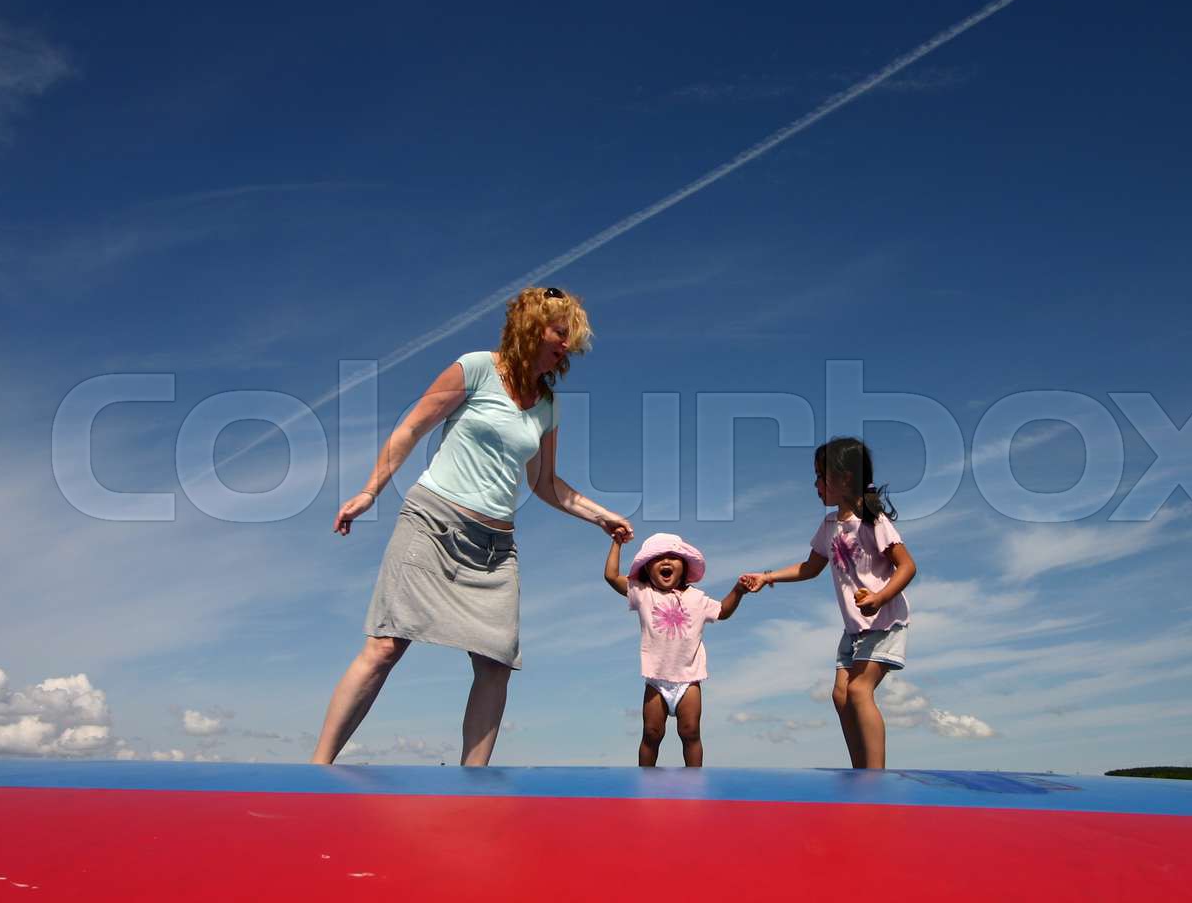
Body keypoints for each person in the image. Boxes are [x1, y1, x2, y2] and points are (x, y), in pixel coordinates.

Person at [314, 287, 634, 766]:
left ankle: (474, 785)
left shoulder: (548, 405)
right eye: (560, 334)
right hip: (433, 524)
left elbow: (545, 483)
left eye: (573, 339)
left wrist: (601, 515)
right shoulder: (474, 368)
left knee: (496, 662)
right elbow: (411, 429)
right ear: (531, 327)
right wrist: (369, 492)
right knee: (385, 645)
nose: (568, 346)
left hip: (495, 549)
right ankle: (316, 772)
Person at [739, 437, 916, 769]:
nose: (816, 485)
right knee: (840, 695)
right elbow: (810, 567)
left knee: (860, 691)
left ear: (844, 478)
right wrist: (768, 576)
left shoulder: (872, 521)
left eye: (820, 476)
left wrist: (880, 597)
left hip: (884, 622)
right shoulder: (829, 526)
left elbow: (907, 565)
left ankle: (875, 776)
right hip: (854, 628)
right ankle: (859, 769)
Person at [603, 532, 749, 767]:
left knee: (690, 732)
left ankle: (694, 780)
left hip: (688, 680)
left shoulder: (697, 598)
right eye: (658, 558)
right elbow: (611, 576)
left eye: (673, 557)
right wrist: (617, 543)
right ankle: (645, 779)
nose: (666, 561)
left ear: (685, 566)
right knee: (651, 733)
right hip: (656, 681)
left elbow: (722, 611)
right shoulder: (643, 593)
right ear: (647, 568)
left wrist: (738, 590)